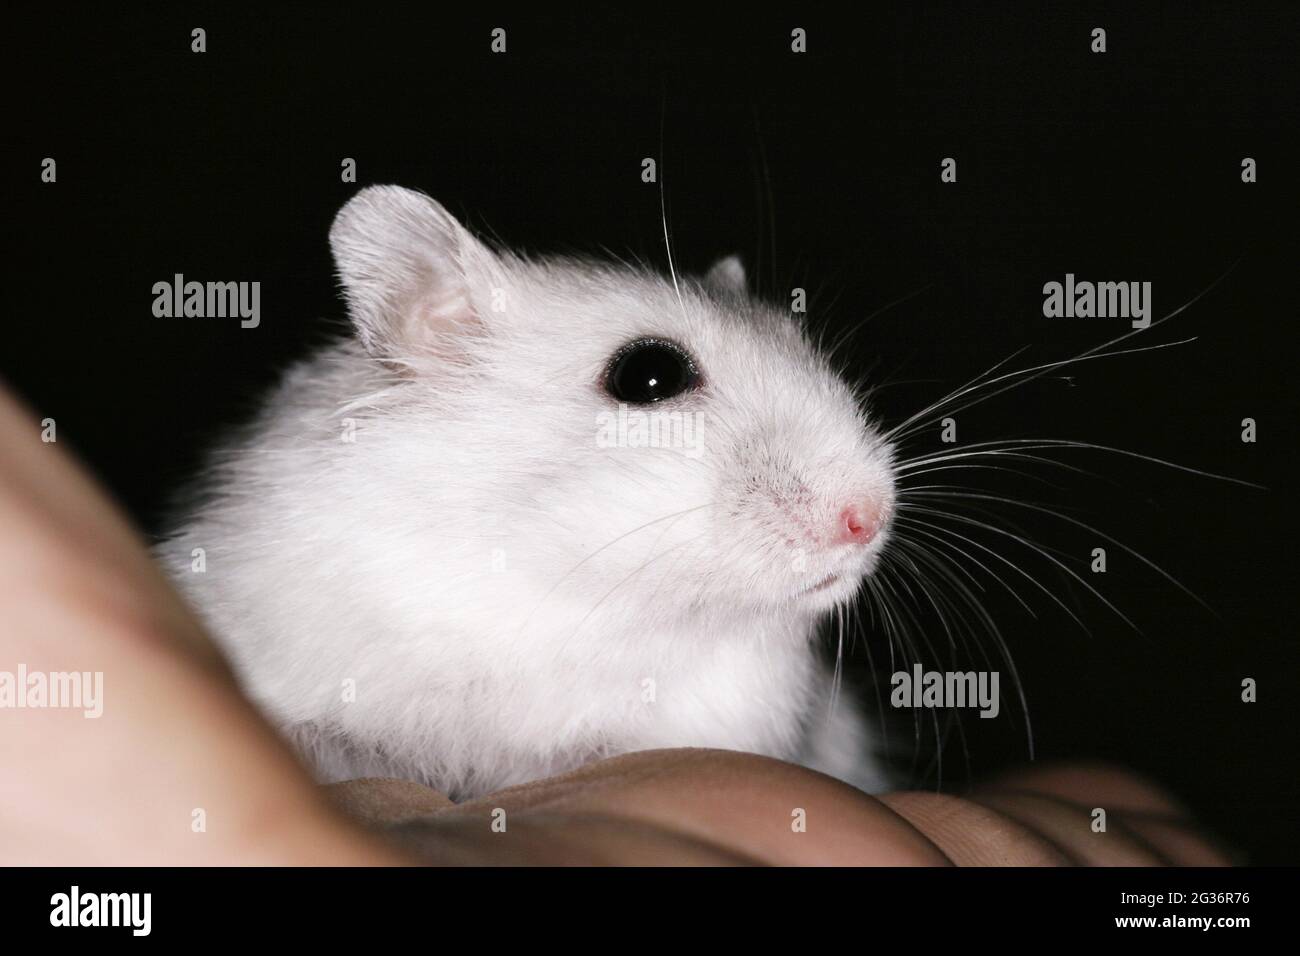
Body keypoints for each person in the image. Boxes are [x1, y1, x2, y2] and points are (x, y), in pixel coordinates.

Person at [0, 384, 1230, 866]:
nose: (866, 509)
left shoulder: (742, 690)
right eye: (653, 375)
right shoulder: (317, 536)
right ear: (426, 326)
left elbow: (766, 738)